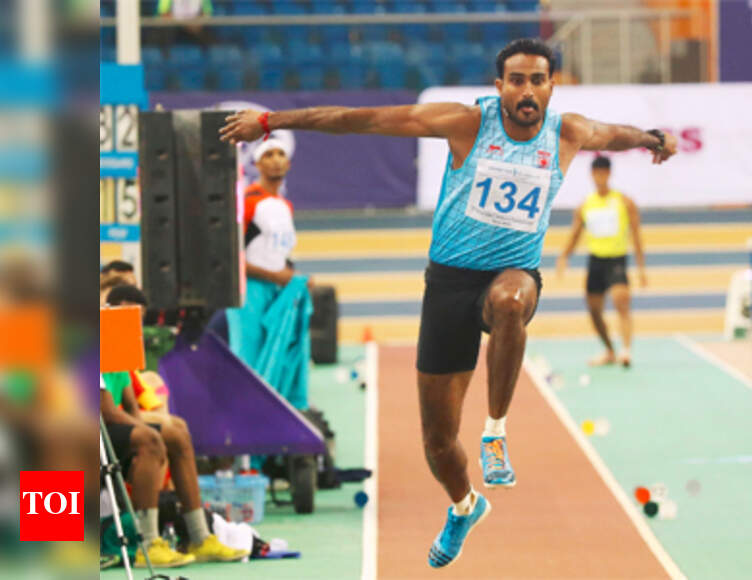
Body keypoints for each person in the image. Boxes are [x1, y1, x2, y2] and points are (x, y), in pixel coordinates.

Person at [219, 37, 679, 568]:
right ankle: (463, 505)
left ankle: (495, 433)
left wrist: (651, 138)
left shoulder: (567, 131)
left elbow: (613, 135)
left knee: (510, 301)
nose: (527, 91)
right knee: (437, 442)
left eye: (537, 80)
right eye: (517, 80)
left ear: (552, 85)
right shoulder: (466, 124)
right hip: (449, 286)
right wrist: (272, 121)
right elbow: (360, 118)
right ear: (499, 85)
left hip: (511, 274)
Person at [102, 290, 249, 568]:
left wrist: (156, 426)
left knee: (177, 432)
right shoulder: (95, 337)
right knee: (151, 439)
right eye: (135, 315)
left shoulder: (121, 342)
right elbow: (107, 412)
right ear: (118, 309)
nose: (139, 323)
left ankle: (199, 536)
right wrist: (152, 430)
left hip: (111, 425)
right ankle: (147, 542)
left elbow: (131, 408)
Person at [223, 137, 313, 411]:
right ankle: (242, 425)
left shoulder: (285, 206)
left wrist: (291, 278)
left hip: (276, 294)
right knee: (248, 361)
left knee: (278, 357)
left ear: (289, 162)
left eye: (280, 154)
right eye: (268, 154)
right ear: (257, 163)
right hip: (248, 292)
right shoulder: (248, 202)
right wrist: (276, 277)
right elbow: (230, 257)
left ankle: (278, 417)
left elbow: (277, 254)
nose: (275, 159)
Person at [556, 155, 647, 367]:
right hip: (595, 261)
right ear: (592, 175)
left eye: (603, 173)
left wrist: (642, 269)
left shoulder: (624, 201)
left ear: (609, 174)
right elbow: (575, 235)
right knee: (594, 310)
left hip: (616, 260)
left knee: (621, 300)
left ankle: (626, 351)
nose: (599, 177)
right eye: (596, 173)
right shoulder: (585, 205)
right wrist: (564, 256)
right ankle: (609, 350)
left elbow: (636, 235)